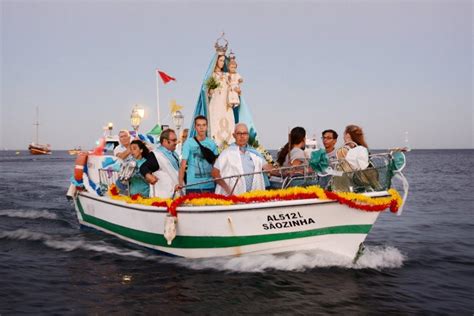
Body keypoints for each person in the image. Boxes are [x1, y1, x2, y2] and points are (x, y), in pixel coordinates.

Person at [212, 123, 272, 196]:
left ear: (248, 136)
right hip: (233, 196)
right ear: (234, 135)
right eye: (239, 133)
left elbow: (268, 168)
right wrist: (227, 189)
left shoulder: (255, 153)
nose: (242, 136)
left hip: (253, 197)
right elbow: (215, 173)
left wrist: (284, 172)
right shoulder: (227, 153)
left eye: (245, 133)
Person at [178, 116, 218, 194]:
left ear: (207, 126)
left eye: (204, 125)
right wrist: (180, 185)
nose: (201, 128)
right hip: (193, 186)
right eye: (199, 125)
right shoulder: (188, 143)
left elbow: (216, 165)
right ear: (195, 127)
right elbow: (182, 166)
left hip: (209, 185)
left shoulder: (212, 143)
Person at [139, 129, 180, 198]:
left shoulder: (174, 154)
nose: (176, 142)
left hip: (176, 196)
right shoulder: (156, 155)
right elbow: (143, 167)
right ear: (164, 141)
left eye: (176, 140)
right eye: (173, 140)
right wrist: (148, 175)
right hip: (161, 201)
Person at [208, 54, 234, 148]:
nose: (222, 63)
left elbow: (233, 86)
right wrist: (211, 90)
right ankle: (215, 145)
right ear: (216, 61)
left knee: (229, 123)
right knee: (215, 123)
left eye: (223, 61)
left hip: (226, 104)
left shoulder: (227, 75)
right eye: (220, 60)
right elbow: (208, 92)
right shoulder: (212, 75)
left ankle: (229, 144)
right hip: (216, 103)